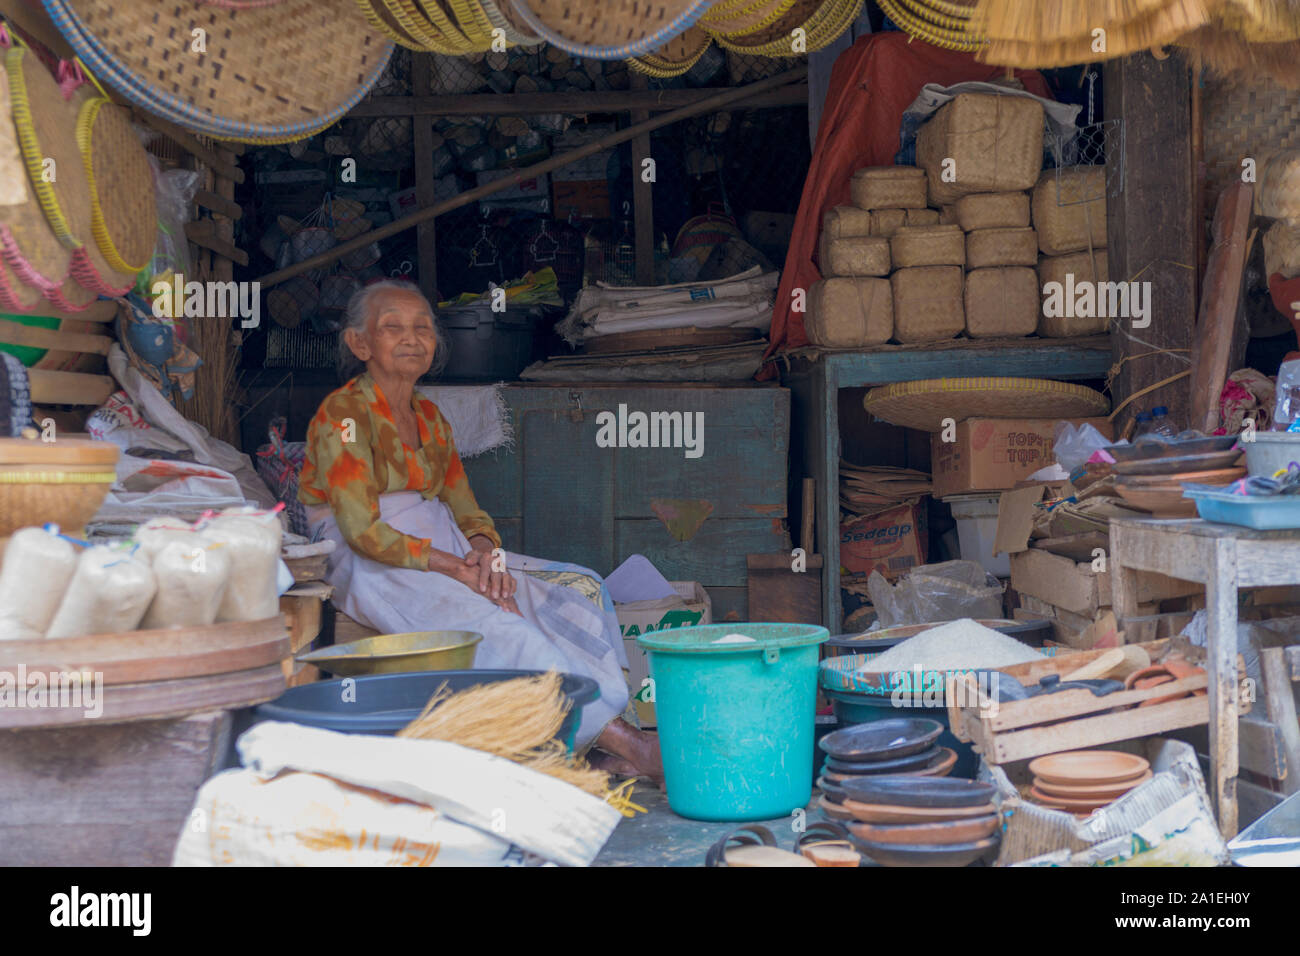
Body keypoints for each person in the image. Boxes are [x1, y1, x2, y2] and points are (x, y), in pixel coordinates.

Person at [298, 280, 662, 783]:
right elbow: (362, 530)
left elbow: (466, 508)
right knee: (495, 624)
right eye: (392, 328)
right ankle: (634, 747)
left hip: (444, 547)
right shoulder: (342, 417)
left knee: (577, 589)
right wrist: (461, 572)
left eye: (423, 327)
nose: (412, 338)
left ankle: (592, 741)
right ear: (360, 345)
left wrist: (487, 557)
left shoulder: (430, 417)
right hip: (371, 561)